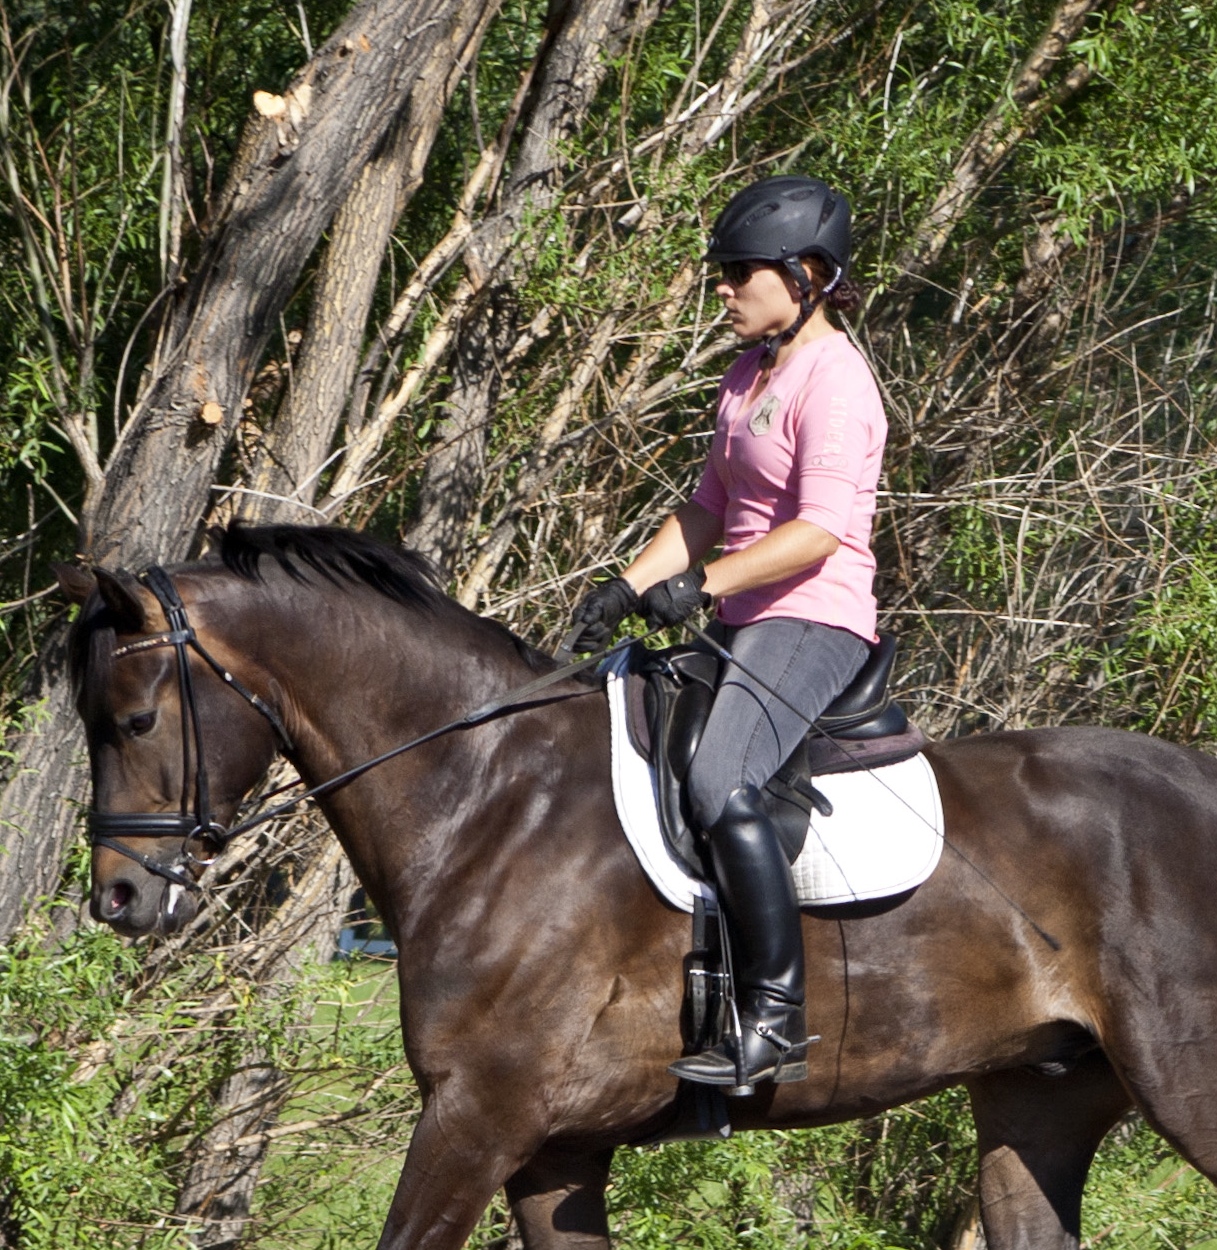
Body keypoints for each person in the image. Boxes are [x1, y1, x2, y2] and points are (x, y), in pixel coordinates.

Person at [570, 175, 888, 1092]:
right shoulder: (748, 373)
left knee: (719, 774)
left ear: (805, 276)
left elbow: (818, 530)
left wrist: (698, 587)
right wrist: (628, 584)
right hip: (743, 614)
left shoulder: (836, 380)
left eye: (738, 273)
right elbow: (711, 503)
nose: (722, 289)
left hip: (812, 615)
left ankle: (776, 1021)